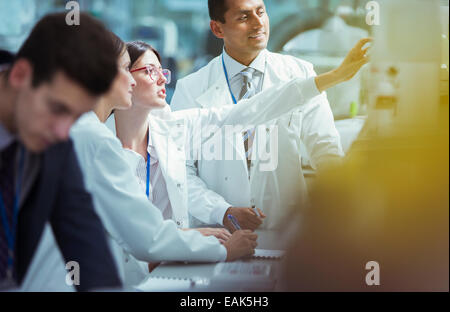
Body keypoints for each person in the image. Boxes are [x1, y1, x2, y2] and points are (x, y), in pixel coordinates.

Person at [171, 0, 361, 230]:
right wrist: (221, 211)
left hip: (285, 226)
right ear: (217, 28)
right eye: (244, 17)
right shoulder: (191, 88)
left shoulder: (300, 73)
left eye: (261, 12)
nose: (258, 23)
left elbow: (324, 145)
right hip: (220, 231)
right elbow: (180, 170)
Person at [0, 13, 121, 291]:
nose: (63, 132)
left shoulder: (53, 138)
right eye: (58, 109)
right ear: (20, 75)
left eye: (76, 117)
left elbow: (83, 237)